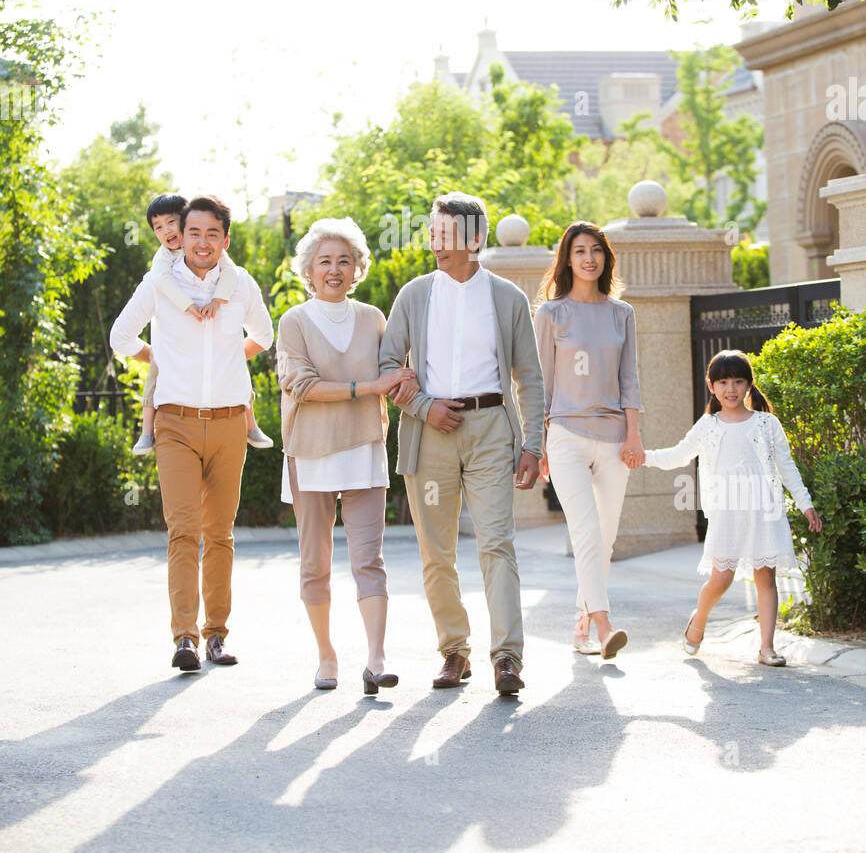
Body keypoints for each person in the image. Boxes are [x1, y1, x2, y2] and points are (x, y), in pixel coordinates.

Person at [379, 192, 544, 695]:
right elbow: (387, 367)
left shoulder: (508, 298)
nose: (435, 243)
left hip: (492, 429)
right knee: (437, 550)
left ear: (476, 239)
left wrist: (532, 444)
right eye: (432, 233)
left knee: (497, 543)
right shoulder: (413, 295)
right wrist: (425, 407)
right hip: (430, 433)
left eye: (446, 235)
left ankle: (507, 658)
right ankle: (455, 650)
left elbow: (530, 378)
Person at [110, 194, 274, 672]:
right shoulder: (159, 283)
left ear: (225, 238)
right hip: (176, 424)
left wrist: (224, 358)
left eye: (212, 233)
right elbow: (121, 337)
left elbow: (263, 335)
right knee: (183, 531)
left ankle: (216, 636)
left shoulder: (240, 284)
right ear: (182, 234)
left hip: (228, 425)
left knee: (219, 534)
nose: (202, 242)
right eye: (194, 232)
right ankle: (183, 637)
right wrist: (159, 355)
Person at [276, 218, 415, 694]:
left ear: (357, 268)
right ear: (309, 271)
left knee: (368, 559)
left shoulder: (374, 318)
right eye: (325, 262)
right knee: (314, 562)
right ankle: (326, 655)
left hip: (364, 449)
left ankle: (376, 658)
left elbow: (395, 374)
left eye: (344, 261)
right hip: (310, 453)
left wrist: (404, 383)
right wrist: (369, 387)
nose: (334, 270)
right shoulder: (293, 322)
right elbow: (301, 385)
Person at [641, 349, 823, 666]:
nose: (731, 389)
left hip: (763, 512)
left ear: (749, 385)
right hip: (728, 513)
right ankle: (698, 620)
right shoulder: (708, 426)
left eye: (738, 381)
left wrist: (806, 504)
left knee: (765, 577)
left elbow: (787, 467)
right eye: (723, 382)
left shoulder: (767, 424)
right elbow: (679, 455)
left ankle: (767, 648)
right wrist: (643, 456)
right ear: (712, 386)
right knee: (720, 580)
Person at [533, 221, 643, 660]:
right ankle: (603, 625)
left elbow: (629, 378)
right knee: (585, 532)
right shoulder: (550, 314)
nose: (589, 258)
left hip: (614, 438)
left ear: (605, 257)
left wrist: (633, 434)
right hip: (565, 436)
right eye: (579, 251)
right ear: (567, 259)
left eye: (596, 250)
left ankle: (581, 620)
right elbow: (539, 382)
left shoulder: (622, 314)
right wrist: (537, 444)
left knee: (607, 537)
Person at [133, 193, 273, 456]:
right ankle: (146, 432)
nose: (166, 232)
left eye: (171, 223)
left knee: (237, 373)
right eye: (158, 227)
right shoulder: (162, 261)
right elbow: (161, 283)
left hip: (222, 417)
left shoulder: (217, 259)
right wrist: (185, 308)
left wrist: (219, 304)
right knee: (154, 382)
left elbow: (232, 274)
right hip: (176, 409)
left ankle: (251, 425)